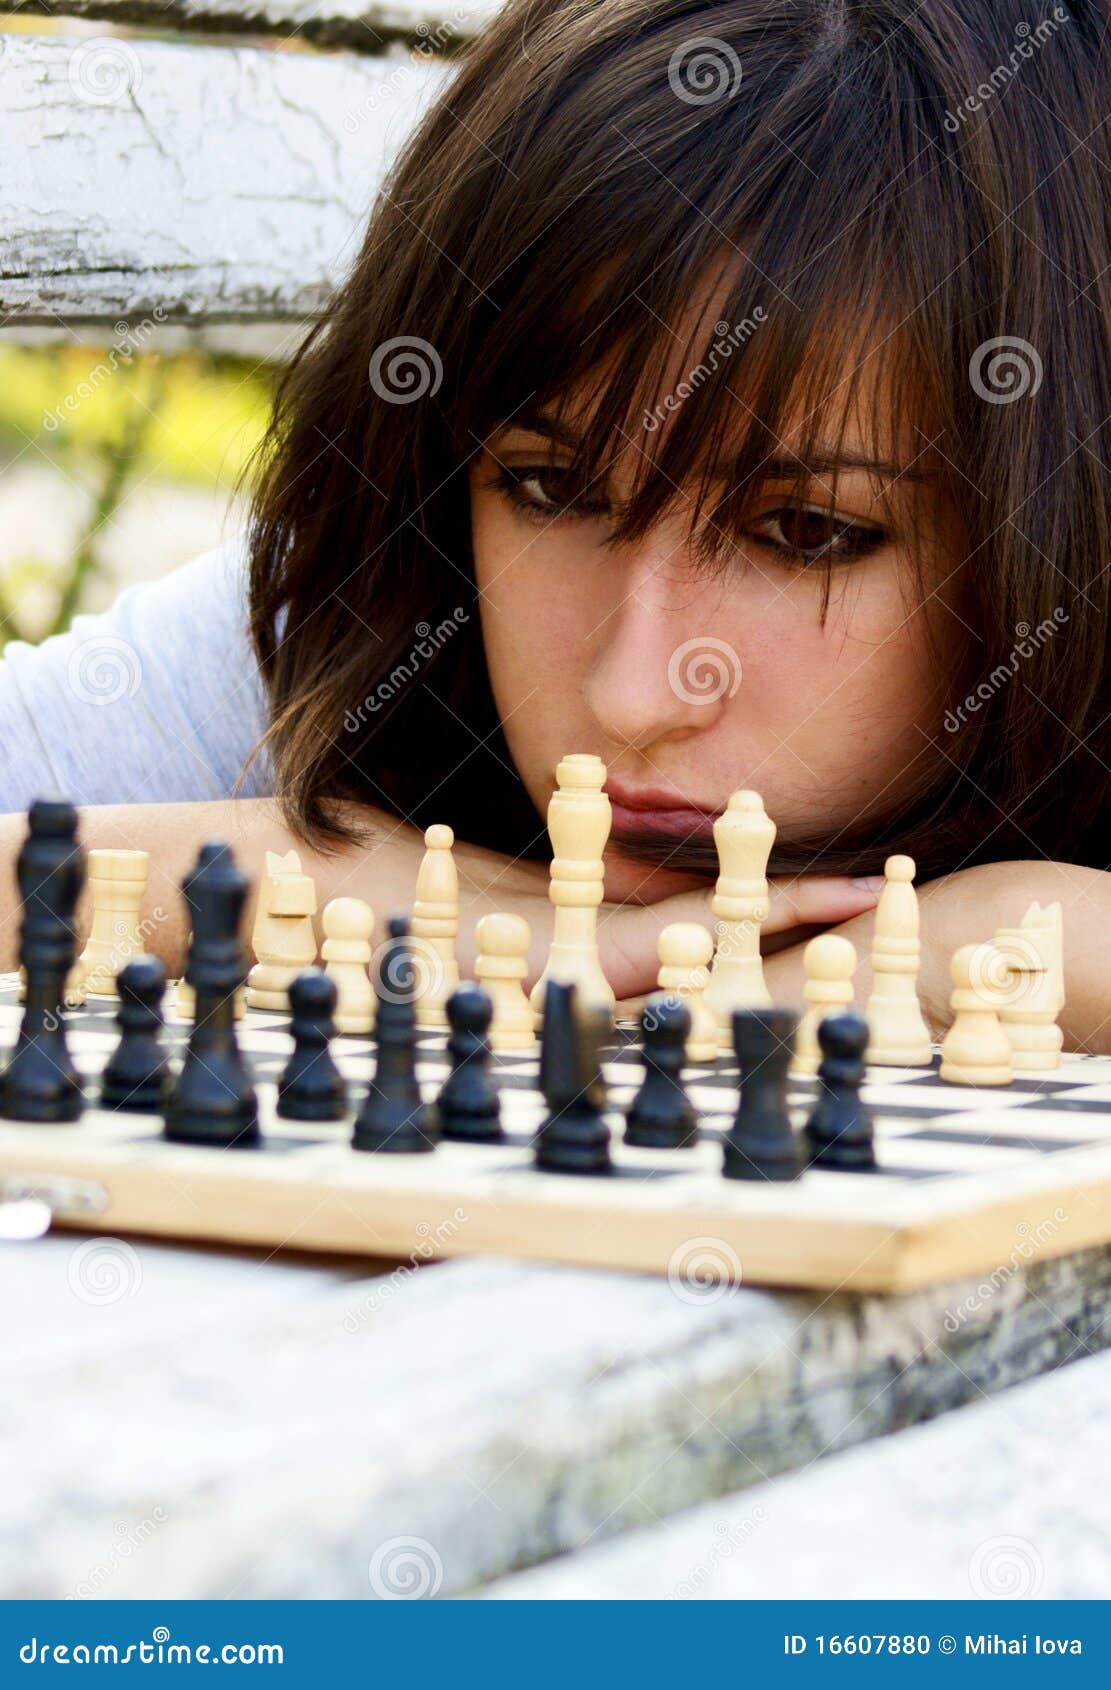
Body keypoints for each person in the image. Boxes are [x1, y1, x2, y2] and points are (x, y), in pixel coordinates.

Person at [1, 0, 1107, 1045]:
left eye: (806, 531)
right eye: (549, 488)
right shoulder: (371, 625)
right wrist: (298, 880)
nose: (627, 695)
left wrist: (992, 947)